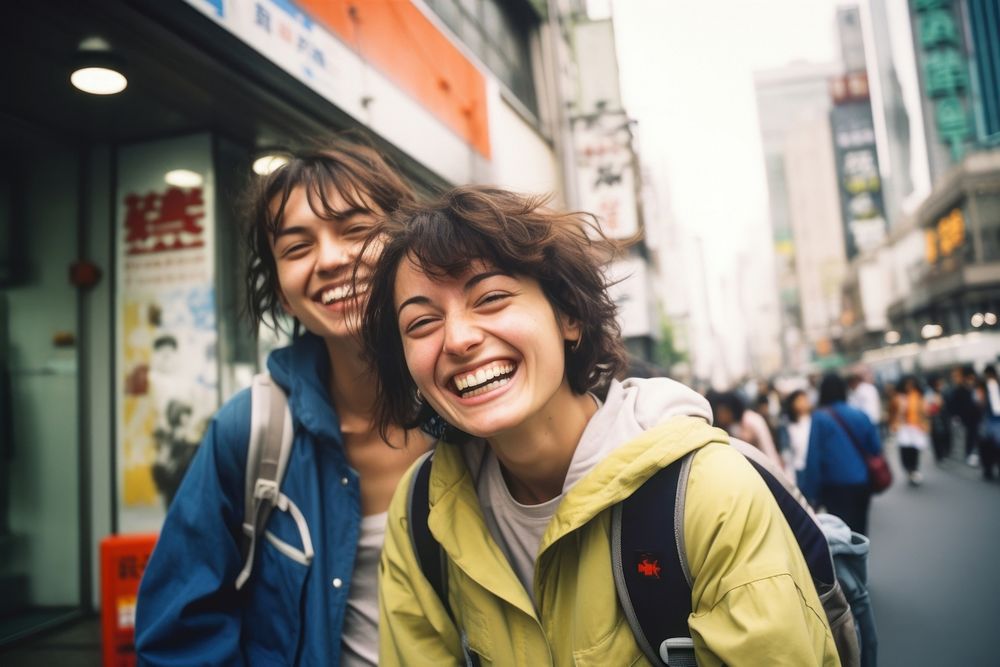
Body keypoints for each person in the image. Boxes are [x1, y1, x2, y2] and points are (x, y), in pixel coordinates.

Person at [362, 187, 840, 665]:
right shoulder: (422, 509)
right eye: (422, 323)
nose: (459, 339)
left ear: (568, 316)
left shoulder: (707, 492)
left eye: (490, 298)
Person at [134, 139, 433, 665]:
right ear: (278, 288)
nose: (332, 260)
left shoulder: (474, 406)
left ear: (408, 242)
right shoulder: (250, 430)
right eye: (297, 248)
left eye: (356, 231)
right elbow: (179, 636)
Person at [801, 373, 883, 536]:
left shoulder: (819, 418)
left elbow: (813, 457)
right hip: (862, 481)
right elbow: (875, 448)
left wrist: (811, 493)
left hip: (834, 486)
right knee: (859, 531)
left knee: (842, 535)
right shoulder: (859, 414)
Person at [708, 389, 787, 474]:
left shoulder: (753, 420)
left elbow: (768, 449)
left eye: (723, 412)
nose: (721, 417)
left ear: (731, 409)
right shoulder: (729, 427)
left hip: (764, 468)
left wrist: (777, 474)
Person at [891, 375, 929, 485]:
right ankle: (909, 469)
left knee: (915, 449)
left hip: (916, 427)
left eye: (912, 384)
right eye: (907, 384)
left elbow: (923, 411)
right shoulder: (898, 397)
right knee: (905, 449)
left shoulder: (918, 396)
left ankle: (914, 469)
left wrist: (924, 423)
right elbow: (893, 413)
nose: (909, 386)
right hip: (903, 427)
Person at [947, 365, 982, 466]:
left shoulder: (976, 388)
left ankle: (974, 454)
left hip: (976, 416)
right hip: (965, 417)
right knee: (969, 436)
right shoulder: (960, 390)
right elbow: (953, 404)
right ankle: (969, 454)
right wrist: (956, 416)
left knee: (975, 435)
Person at [780, 388, 813, 486]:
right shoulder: (787, 424)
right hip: (797, 468)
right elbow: (785, 450)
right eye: (799, 400)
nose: (803, 403)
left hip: (812, 466)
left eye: (805, 400)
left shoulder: (815, 420)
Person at [978, 365, 1000, 480]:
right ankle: (989, 469)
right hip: (991, 421)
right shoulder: (988, 386)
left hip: (992, 422)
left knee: (989, 446)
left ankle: (988, 469)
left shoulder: (988, 386)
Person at [924, 375, 951, 463]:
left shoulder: (939, 391)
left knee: (943, 434)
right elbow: (930, 407)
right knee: (937, 436)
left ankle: (943, 453)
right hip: (935, 417)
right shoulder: (930, 393)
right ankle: (940, 455)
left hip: (941, 416)